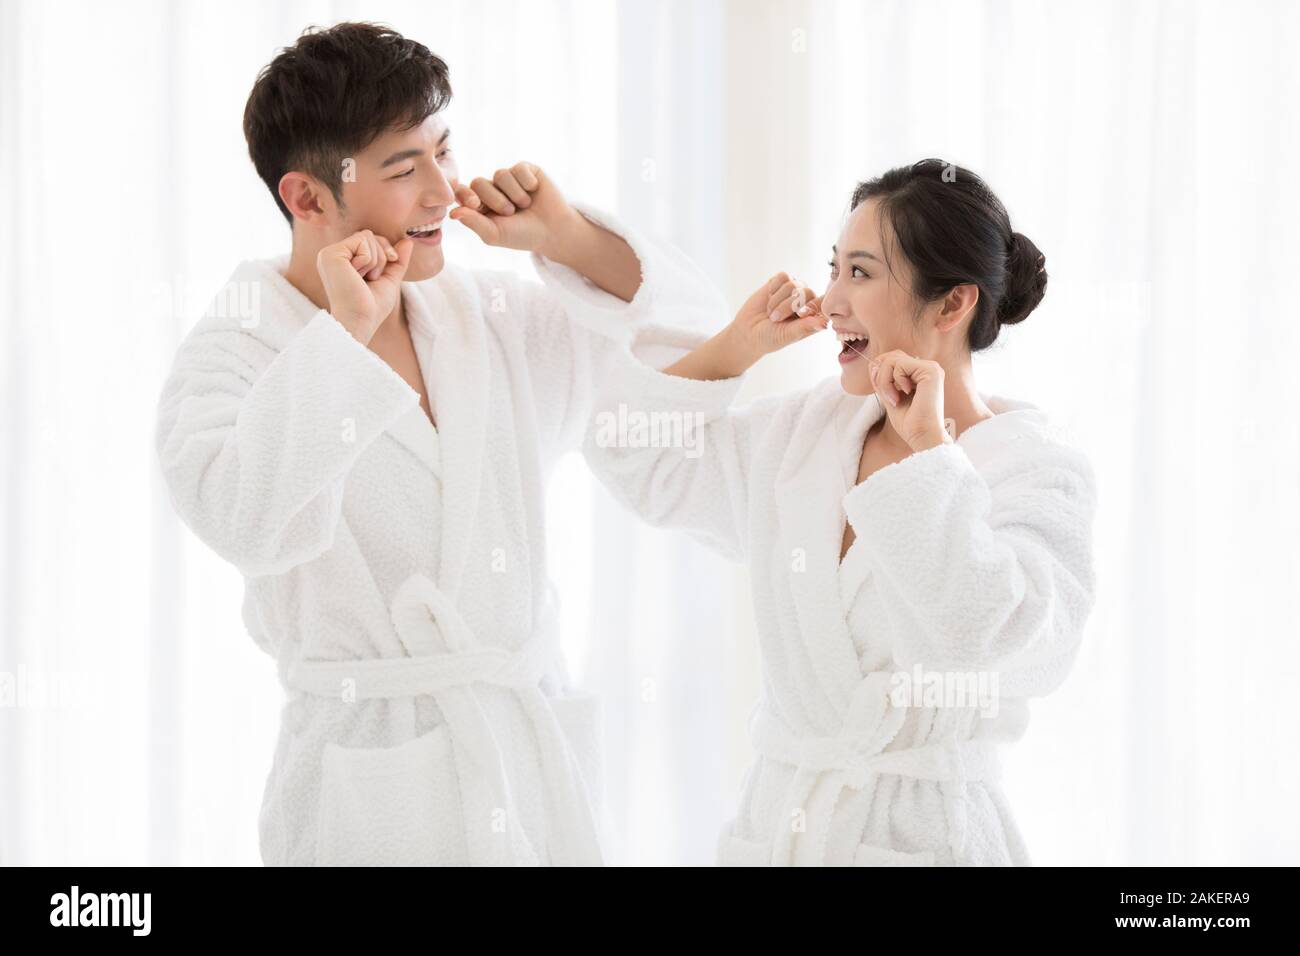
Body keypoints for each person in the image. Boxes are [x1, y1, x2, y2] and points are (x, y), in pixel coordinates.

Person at [155, 21, 721, 866]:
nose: (444, 193)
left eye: (444, 152)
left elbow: (686, 351)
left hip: (526, 755)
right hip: (367, 780)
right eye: (403, 169)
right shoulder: (233, 350)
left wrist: (565, 238)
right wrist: (344, 338)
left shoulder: (485, 315)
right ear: (306, 199)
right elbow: (245, 519)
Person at [584, 159, 1098, 865]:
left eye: (860, 273)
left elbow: (991, 640)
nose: (828, 300)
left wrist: (927, 456)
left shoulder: (1037, 473)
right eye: (834, 269)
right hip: (783, 826)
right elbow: (628, 457)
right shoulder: (805, 434)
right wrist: (736, 349)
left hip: (929, 834)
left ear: (951, 306)